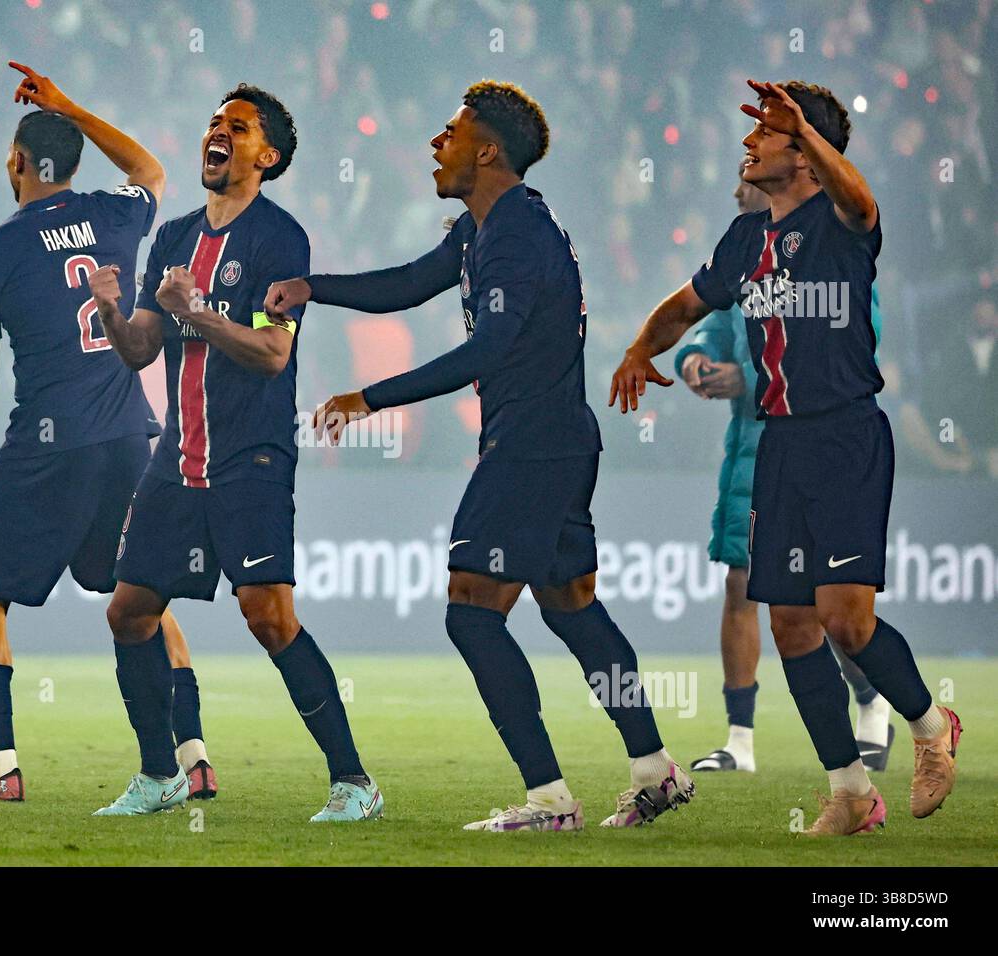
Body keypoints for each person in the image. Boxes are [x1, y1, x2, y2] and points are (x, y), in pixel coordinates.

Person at [268, 81, 694, 832]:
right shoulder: (483, 229)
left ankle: (548, 800)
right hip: (558, 441)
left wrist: (368, 398)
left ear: (488, 150)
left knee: (471, 611)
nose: (437, 144)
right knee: (572, 609)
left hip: (531, 446)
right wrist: (314, 288)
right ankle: (654, 769)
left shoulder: (518, 236)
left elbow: (486, 350)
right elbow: (407, 283)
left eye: (450, 132)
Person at [610, 79, 961, 835]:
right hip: (780, 443)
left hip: (845, 436)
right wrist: (642, 347)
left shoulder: (841, 218)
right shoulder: (745, 239)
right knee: (792, 626)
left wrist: (806, 125)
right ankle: (851, 791)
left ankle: (933, 726)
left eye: (767, 132)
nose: (749, 142)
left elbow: (863, 201)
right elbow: (684, 306)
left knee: (845, 620)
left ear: (805, 152)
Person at [86, 84, 381, 822]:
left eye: (238, 126)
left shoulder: (279, 240)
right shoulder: (176, 236)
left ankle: (354, 783)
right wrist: (113, 311)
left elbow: (273, 354)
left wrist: (197, 312)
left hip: (249, 456)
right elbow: (143, 349)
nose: (217, 131)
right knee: (128, 612)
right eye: (214, 120)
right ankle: (162, 776)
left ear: (266, 155)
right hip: (176, 462)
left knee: (269, 616)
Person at [0, 63, 209, 802]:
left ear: (19, 163)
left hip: (47, 446)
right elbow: (150, 167)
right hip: (130, 437)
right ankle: (193, 756)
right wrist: (70, 107)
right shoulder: (116, 213)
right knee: (143, 596)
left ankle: (2, 771)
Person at [680, 164, 894, 774]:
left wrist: (744, 378)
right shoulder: (746, 255)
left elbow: (854, 343)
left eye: (745, 181)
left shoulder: (833, 245)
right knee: (740, 588)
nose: (737, 188)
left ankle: (873, 704)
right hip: (751, 455)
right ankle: (740, 742)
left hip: (818, 449)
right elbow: (711, 325)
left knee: (829, 607)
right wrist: (695, 362)